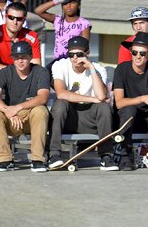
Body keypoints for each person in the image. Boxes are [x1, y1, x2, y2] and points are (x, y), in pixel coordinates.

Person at [48, 36, 114, 170]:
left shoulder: (98, 69)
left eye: (79, 54)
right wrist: (92, 99)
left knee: (103, 107)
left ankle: (106, 155)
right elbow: (61, 93)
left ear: (87, 53)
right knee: (61, 104)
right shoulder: (60, 65)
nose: (75, 58)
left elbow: (101, 96)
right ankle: (54, 155)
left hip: (89, 117)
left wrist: (91, 68)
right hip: (68, 116)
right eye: (71, 54)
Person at [0, 41, 51, 172]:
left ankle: (37, 160)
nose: (20, 61)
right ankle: (5, 159)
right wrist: (8, 111)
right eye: (16, 57)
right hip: (10, 118)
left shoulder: (41, 72)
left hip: (30, 118)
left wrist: (18, 107)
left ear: (31, 57)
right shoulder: (4, 72)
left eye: (24, 57)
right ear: (12, 58)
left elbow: (43, 97)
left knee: (40, 111)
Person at [112, 32, 148, 171]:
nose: (138, 56)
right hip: (127, 119)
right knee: (129, 109)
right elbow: (119, 103)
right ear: (130, 51)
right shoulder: (121, 69)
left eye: (142, 53)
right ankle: (125, 157)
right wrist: (143, 98)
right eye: (134, 52)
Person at [0, 2, 41, 95]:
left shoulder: (32, 36)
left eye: (19, 19)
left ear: (24, 21)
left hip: (23, 77)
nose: (15, 22)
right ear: (5, 17)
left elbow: (36, 65)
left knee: (39, 81)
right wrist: (17, 72)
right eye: (11, 17)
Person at [33, 0, 91, 64]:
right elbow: (38, 11)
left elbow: (84, 45)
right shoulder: (57, 20)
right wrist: (57, 0)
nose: (69, 6)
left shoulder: (84, 23)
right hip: (58, 61)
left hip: (74, 62)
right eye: (65, 3)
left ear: (78, 5)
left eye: (73, 2)